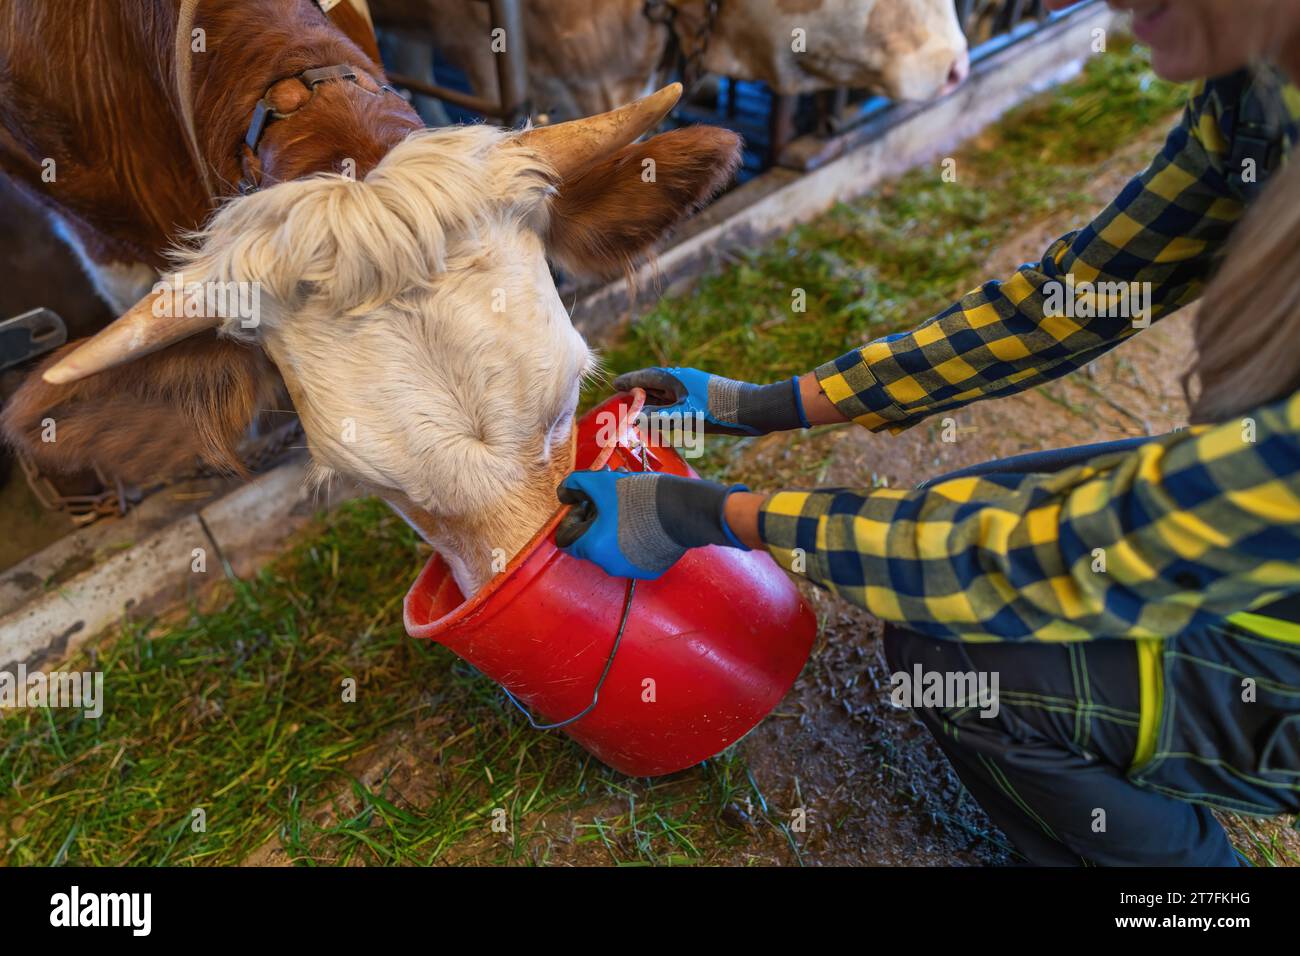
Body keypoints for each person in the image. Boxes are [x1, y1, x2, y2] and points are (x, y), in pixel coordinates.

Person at [556, 0, 1300, 866]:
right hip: (1264, 507)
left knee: (956, 649)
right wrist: (765, 405)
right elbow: (1066, 303)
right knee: (948, 526)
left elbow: (1030, 563)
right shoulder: (1262, 92)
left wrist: (708, 515)